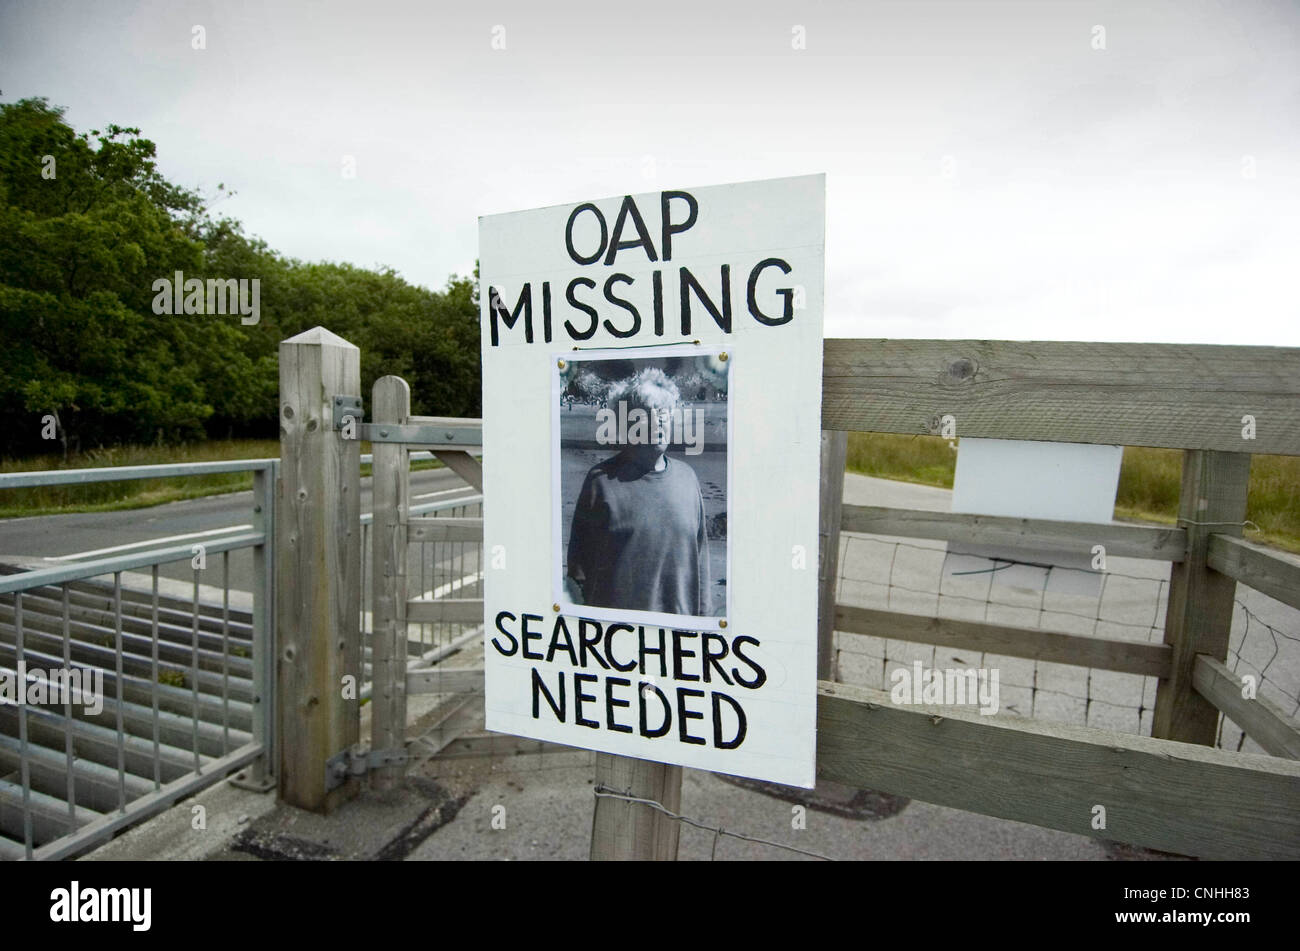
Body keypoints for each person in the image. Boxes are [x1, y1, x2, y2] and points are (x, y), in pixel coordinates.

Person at [565, 367, 711, 617]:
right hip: (620, 636)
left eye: (664, 412)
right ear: (626, 423)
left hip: (681, 635)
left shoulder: (687, 478)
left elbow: (701, 559)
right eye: (646, 414)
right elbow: (579, 573)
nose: (659, 420)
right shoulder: (601, 482)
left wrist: (705, 622)